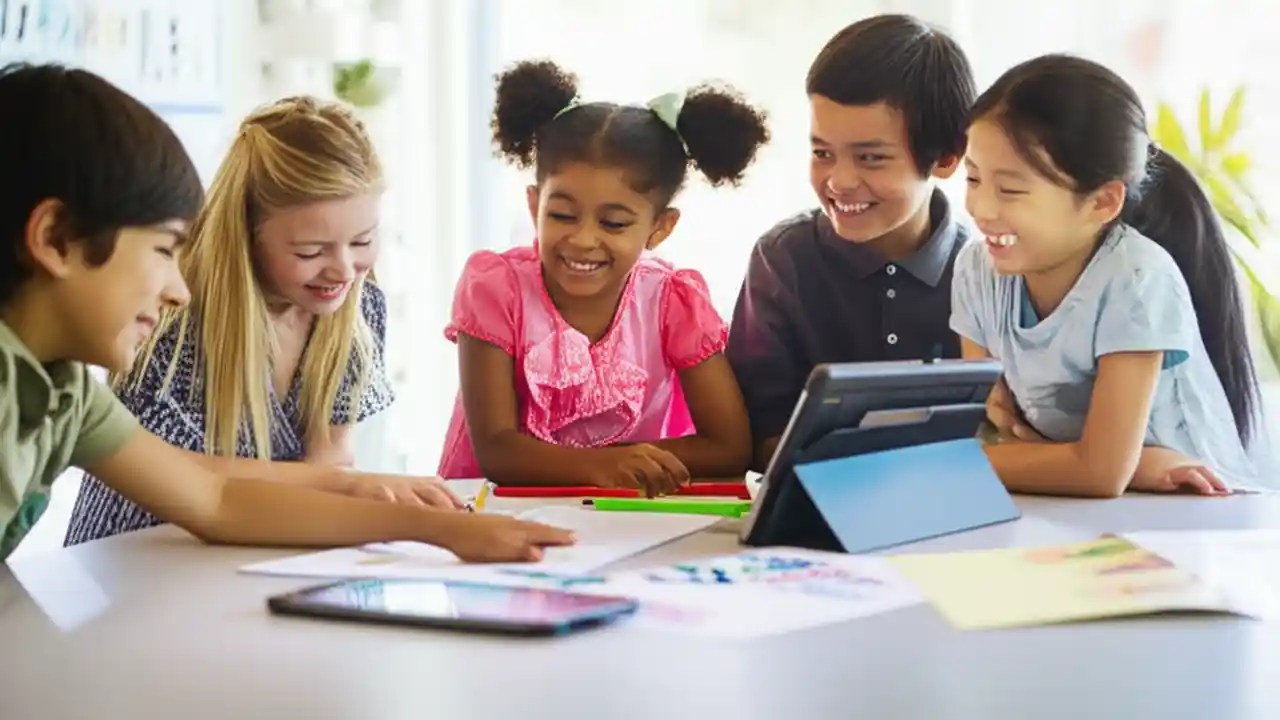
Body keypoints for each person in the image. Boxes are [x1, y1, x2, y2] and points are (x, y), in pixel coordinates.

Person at [0, 62, 571, 562]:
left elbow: (217, 497)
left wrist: (435, 527)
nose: (178, 288)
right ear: (55, 239)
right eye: (161, 250)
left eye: (362, 241)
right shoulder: (144, 341)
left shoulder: (68, 393)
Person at [437, 60, 769, 494]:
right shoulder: (495, 289)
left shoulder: (673, 300)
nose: (583, 239)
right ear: (534, 204)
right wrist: (603, 465)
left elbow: (729, 449)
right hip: (494, 511)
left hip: (628, 520)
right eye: (561, 215)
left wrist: (619, 466)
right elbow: (497, 452)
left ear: (660, 228)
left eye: (613, 223)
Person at [954, 54, 1267, 497]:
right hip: (1069, 502)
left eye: (1011, 190)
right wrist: (1105, 464)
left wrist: (950, 462)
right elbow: (997, 429)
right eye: (972, 179)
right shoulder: (975, 271)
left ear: (1102, 202)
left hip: (1196, 508)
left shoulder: (1137, 278)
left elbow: (1099, 474)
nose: (982, 209)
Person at [726, 14, 977, 469]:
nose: (839, 181)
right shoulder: (782, 260)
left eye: (871, 158)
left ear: (945, 156)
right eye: (822, 153)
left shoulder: (985, 270)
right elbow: (758, 436)